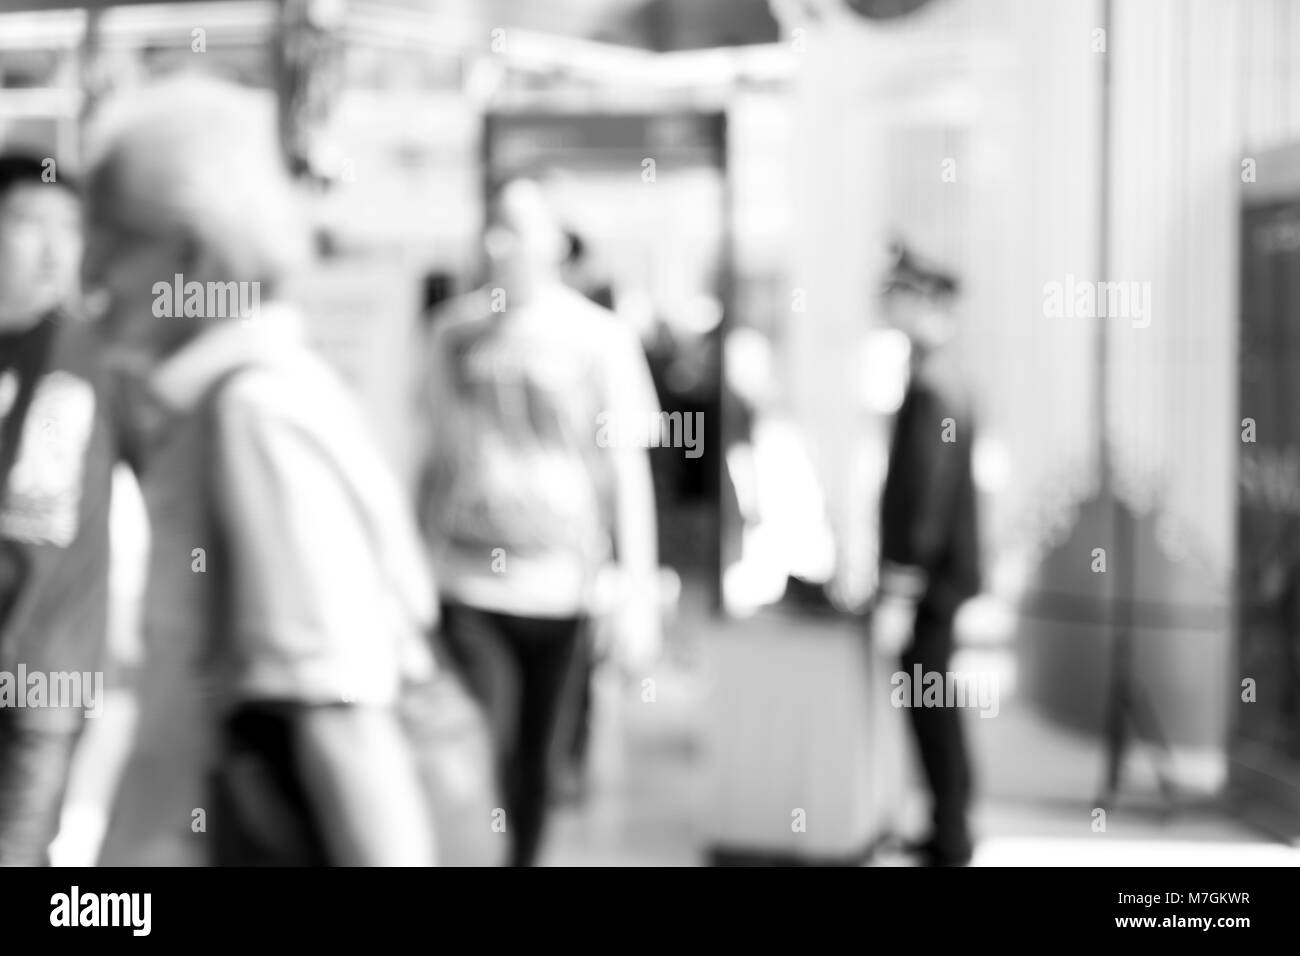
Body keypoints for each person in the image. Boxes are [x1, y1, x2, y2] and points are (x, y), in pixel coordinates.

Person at [83, 74, 436, 866]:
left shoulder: (256, 415)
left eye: (110, 239)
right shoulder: (213, 407)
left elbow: (345, 726)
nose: (90, 272)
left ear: (190, 252)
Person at [419, 178, 661, 866]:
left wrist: (637, 591)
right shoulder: (453, 335)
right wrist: (409, 571)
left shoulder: (599, 339)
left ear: (554, 241)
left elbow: (625, 471)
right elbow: (430, 460)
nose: (502, 243)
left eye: (519, 228)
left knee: (540, 766)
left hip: (562, 589)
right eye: (493, 225)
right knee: (476, 753)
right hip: (469, 581)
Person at [0, 155, 118, 866]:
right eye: (28, 223)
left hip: (52, 660)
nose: (52, 247)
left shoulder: (99, 352)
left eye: (68, 228)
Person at [870, 240, 981, 867]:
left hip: (930, 584)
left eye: (901, 293)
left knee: (931, 703)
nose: (890, 305)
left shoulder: (936, 385)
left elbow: (924, 503)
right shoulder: (936, 375)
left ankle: (951, 834)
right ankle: (948, 823)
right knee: (933, 700)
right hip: (934, 581)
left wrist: (900, 589)